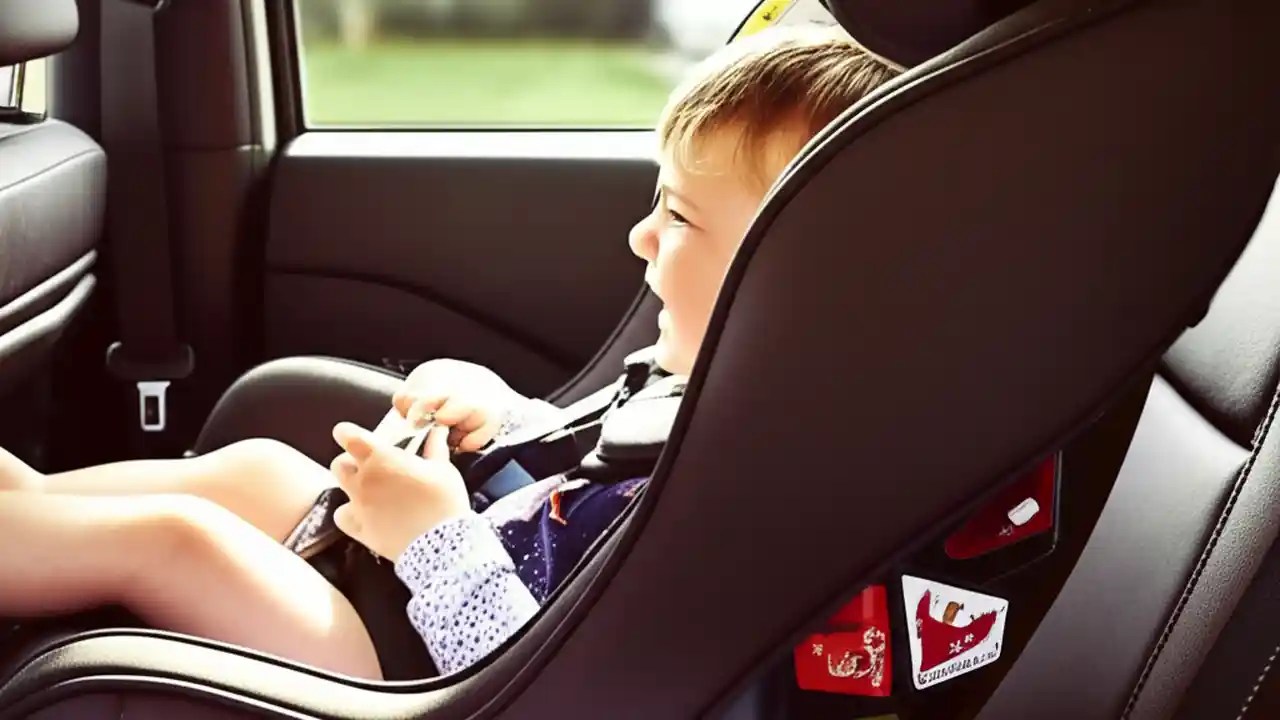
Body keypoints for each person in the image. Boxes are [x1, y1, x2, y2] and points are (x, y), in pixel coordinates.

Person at [0, 26, 900, 680]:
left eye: (678, 217)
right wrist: (507, 420)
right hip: (406, 587)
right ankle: (27, 505)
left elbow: (571, 677)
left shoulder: (761, 494)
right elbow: (585, 491)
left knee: (177, 540)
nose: (639, 238)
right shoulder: (707, 394)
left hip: (420, 674)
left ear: (793, 283)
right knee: (259, 470)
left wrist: (432, 537)